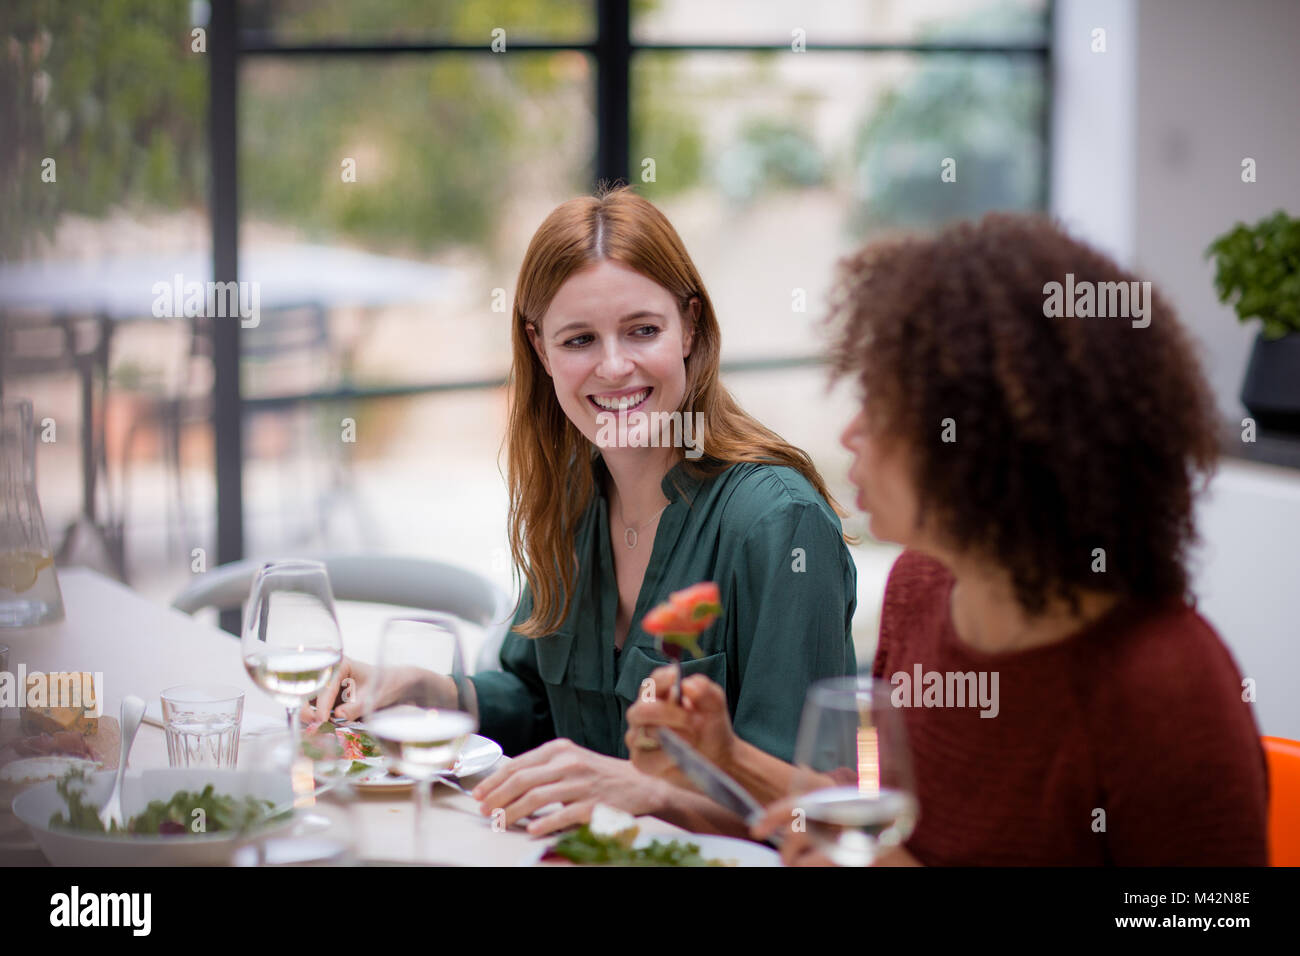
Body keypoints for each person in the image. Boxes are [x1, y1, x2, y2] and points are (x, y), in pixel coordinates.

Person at [626, 213, 1271, 865]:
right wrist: (726, 757)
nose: (851, 432)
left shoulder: (1167, 689)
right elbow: (872, 809)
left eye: (881, 404)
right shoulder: (921, 583)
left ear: (984, 441)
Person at [306, 184, 857, 836]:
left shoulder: (777, 525)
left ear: (691, 328)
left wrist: (645, 792)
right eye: (579, 341)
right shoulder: (571, 498)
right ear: (540, 351)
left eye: (642, 331)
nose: (614, 366)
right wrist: (432, 692)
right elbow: (540, 702)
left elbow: (814, 815)